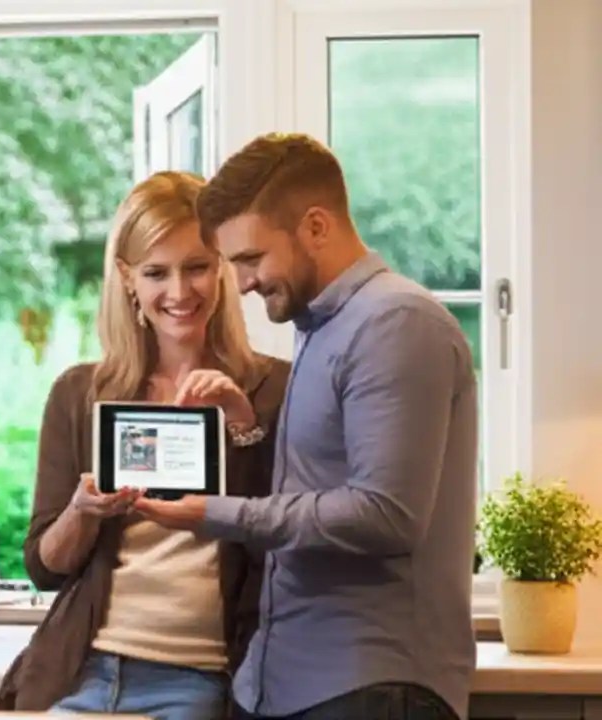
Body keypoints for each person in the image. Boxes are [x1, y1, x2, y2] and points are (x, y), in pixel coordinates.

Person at [131, 133, 478, 720]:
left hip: (372, 688)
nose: (239, 284)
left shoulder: (395, 323)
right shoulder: (321, 330)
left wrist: (212, 512)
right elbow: (320, 489)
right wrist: (251, 432)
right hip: (288, 684)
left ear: (316, 227)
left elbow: (385, 515)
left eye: (250, 260)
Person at [0, 171, 290, 720]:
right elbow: (44, 568)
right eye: (157, 273)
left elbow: (284, 548)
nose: (179, 293)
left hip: (194, 677)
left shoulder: (274, 390)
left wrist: (244, 429)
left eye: (197, 267)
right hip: (79, 671)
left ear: (223, 268)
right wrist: (81, 514)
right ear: (128, 279)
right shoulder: (79, 395)